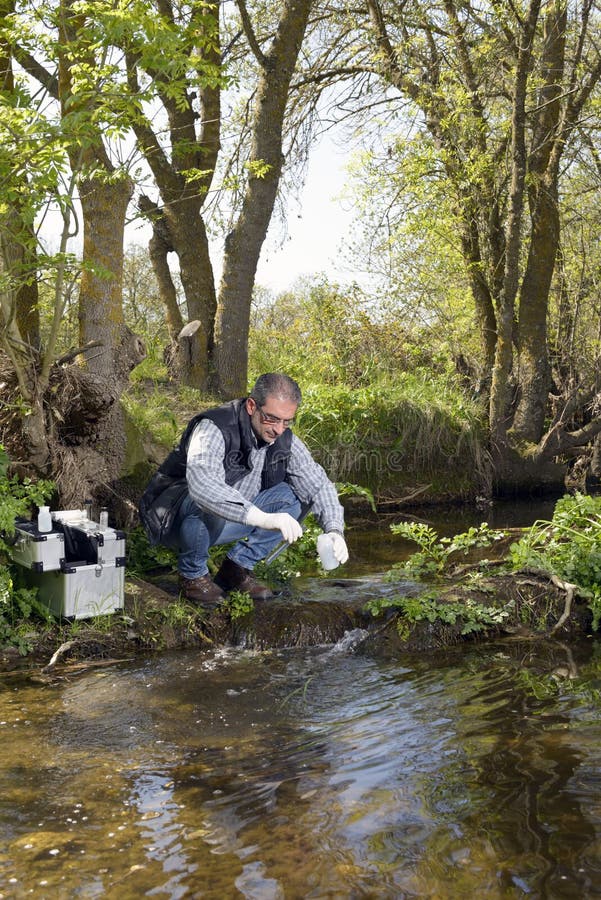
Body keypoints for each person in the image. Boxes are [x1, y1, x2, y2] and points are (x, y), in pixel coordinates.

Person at [139, 373, 349, 605]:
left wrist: (334, 530)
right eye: (272, 418)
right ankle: (193, 576)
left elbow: (318, 485)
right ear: (251, 406)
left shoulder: (283, 439)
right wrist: (261, 517)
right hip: (172, 518)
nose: (279, 429)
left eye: (287, 421)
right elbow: (203, 486)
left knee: (297, 496)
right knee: (210, 500)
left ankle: (236, 569)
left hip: (231, 518)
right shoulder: (214, 427)